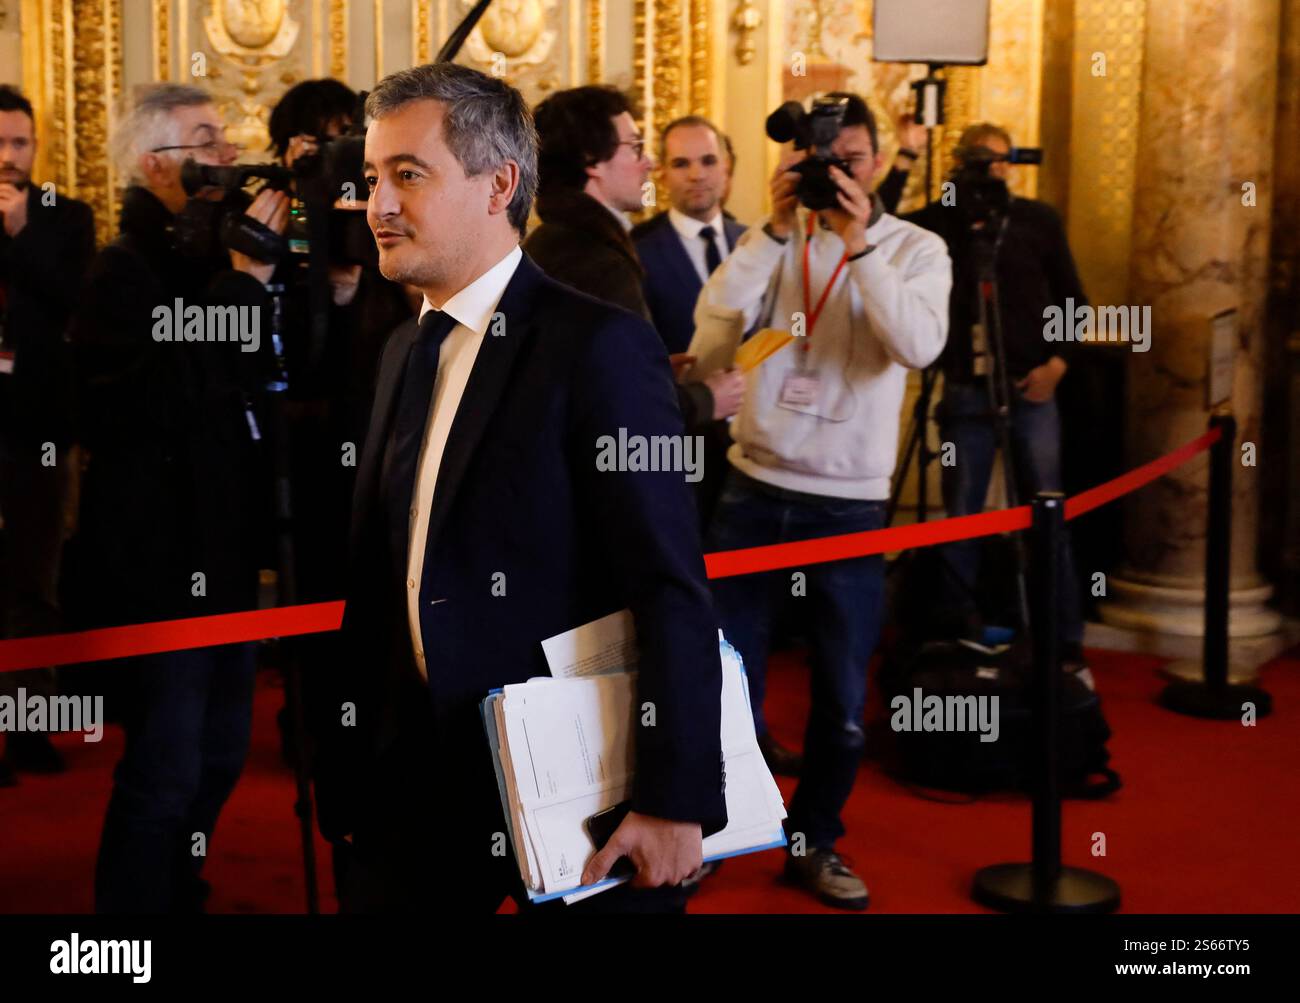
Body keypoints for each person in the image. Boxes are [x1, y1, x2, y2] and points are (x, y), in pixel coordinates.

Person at [313, 62, 726, 915]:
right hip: (414, 781)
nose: (376, 205)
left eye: (407, 176)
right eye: (371, 179)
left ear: (499, 182)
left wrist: (671, 796)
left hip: (580, 780)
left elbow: (669, 584)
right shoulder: (401, 348)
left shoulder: (599, 348)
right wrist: (353, 764)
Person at [696, 91, 951, 909]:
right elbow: (715, 319)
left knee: (841, 695)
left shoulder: (915, 249)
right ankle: (708, 831)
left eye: (850, 160)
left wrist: (860, 241)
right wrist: (771, 232)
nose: (835, 175)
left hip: (846, 503)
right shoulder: (770, 239)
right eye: (821, 162)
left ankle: (815, 841)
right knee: (724, 679)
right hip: (752, 486)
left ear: (875, 165)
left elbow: (916, 344)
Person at [71, 83, 284, 913]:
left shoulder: (215, 254)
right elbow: (155, 400)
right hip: (159, 559)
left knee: (225, 750)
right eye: (207, 138)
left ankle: (175, 887)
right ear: (157, 165)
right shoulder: (121, 270)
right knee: (165, 761)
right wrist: (241, 284)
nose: (228, 153)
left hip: (226, 551)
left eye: (227, 137)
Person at [905, 123, 1091, 684]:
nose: (989, 172)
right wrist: (913, 161)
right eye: (976, 161)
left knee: (1048, 513)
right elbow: (881, 225)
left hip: (1033, 389)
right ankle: (957, 631)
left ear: (1013, 165)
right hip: (964, 389)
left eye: (997, 161)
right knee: (960, 515)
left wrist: (1055, 368)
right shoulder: (940, 221)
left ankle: (1060, 638)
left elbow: (1076, 303)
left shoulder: (1037, 220)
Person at [523, 86, 740, 432]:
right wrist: (706, 398)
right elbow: (619, 405)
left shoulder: (558, 240)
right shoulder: (596, 259)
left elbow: (590, 372)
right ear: (591, 160)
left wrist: (649, 367)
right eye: (636, 147)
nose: (649, 163)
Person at [0, 85, 95, 785]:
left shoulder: (66, 217)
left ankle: (28, 726)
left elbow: (75, 304)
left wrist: (20, 236)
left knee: (34, 584)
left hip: (36, 428)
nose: (9, 157)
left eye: (20, 144)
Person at [632, 114, 747, 529]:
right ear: (661, 172)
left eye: (708, 160)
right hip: (677, 443)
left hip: (754, 446)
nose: (697, 174)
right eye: (681, 164)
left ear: (727, 167)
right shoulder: (634, 252)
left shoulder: (753, 242)